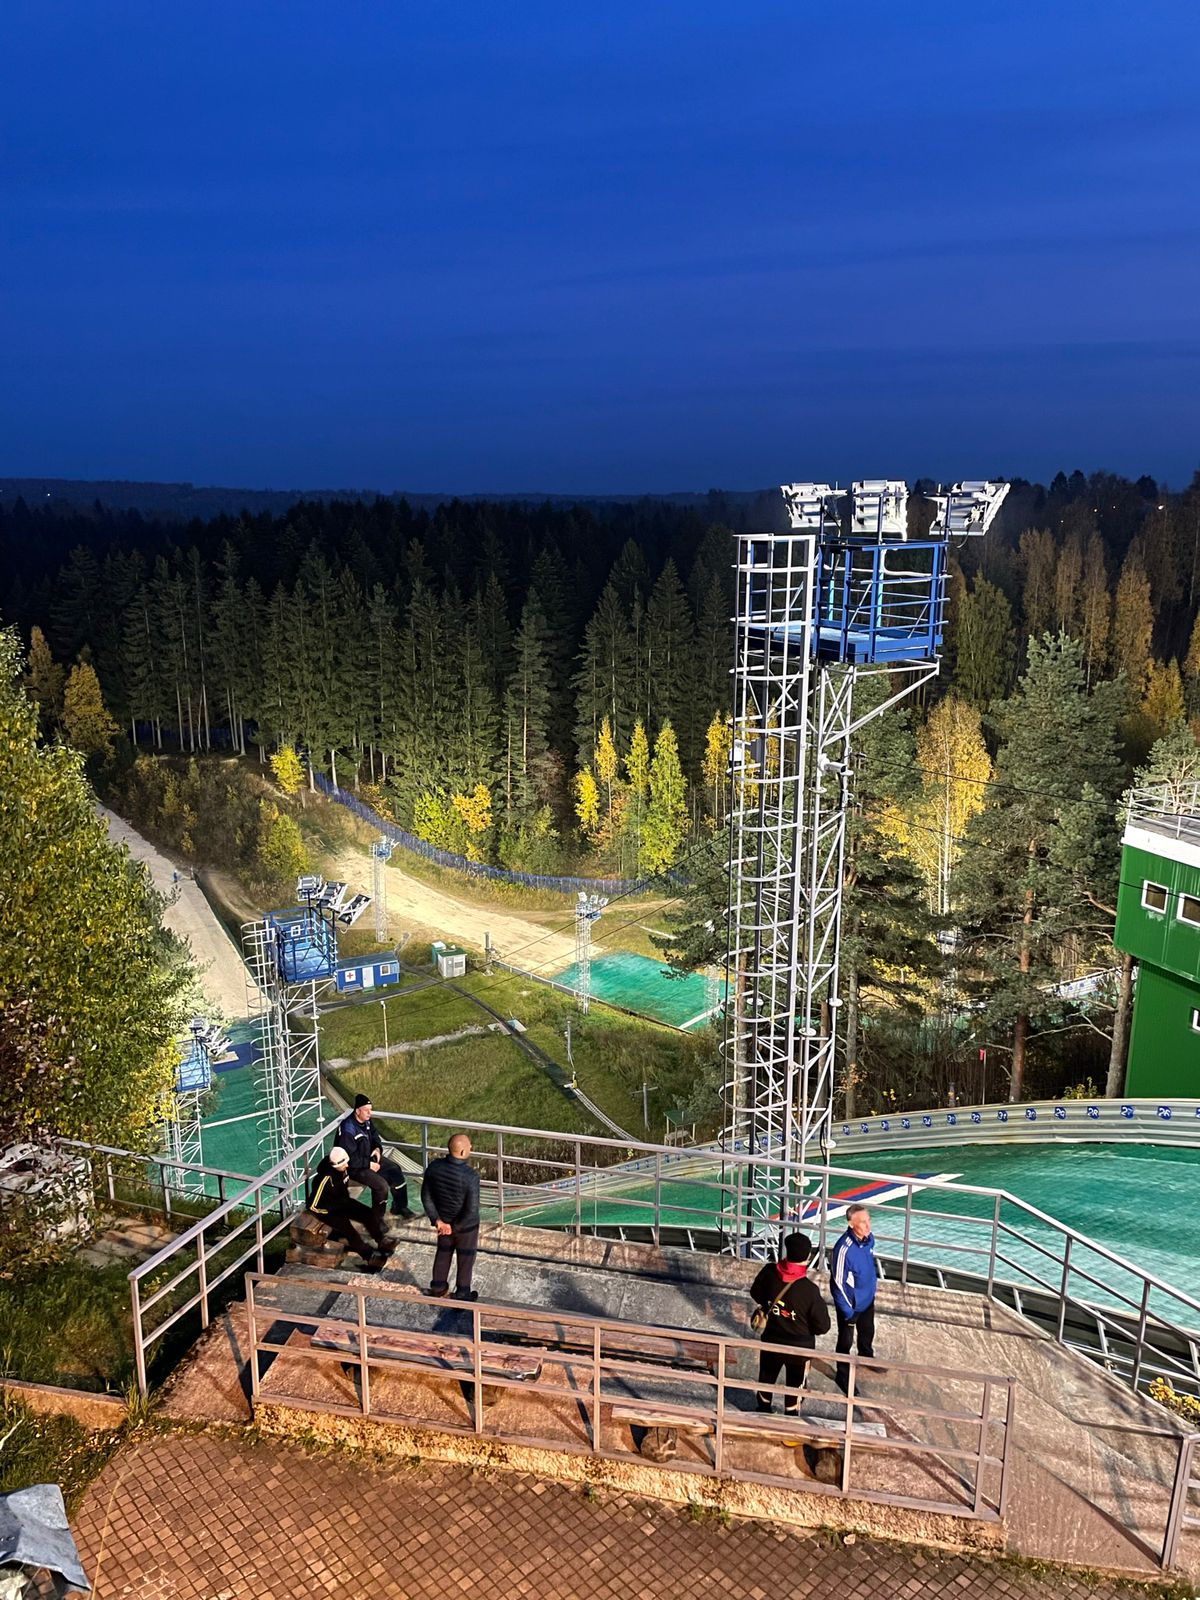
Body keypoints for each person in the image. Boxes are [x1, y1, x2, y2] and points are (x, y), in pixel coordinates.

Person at [749, 1232, 830, 1414]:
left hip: (771, 1338)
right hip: (799, 1348)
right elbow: (823, 1326)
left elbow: (755, 1293)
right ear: (808, 1257)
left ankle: (762, 1411)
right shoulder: (809, 1291)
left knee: (766, 1377)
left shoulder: (769, 1272)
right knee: (795, 1386)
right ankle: (791, 1420)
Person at [306, 1145, 393, 1268]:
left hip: (343, 1202)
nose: (347, 1166)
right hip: (327, 1210)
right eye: (344, 1165)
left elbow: (354, 1165)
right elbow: (313, 1204)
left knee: (367, 1213)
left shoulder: (343, 1166)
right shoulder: (325, 1178)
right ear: (336, 1166)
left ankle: (381, 1240)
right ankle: (368, 1256)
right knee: (347, 1228)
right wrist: (327, 1212)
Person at [336, 1094, 414, 1223]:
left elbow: (375, 1136)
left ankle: (400, 1206)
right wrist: (368, 1165)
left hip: (368, 1158)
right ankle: (377, 1220)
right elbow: (347, 1159)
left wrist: (377, 1149)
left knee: (395, 1170)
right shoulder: (347, 1130)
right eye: (367, 1110)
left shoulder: (366, 1121)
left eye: (370, 1110)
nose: (370, 1113)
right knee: (381, 1186)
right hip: (354, 1167)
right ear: (357, 1111)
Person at [421, 1132, 481, 1302]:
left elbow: (426, 1196)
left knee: (443, 1252)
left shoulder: (434, 1167)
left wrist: (438, 1221)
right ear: (463, 1152)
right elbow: (471, 1209)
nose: (471, 1148)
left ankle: (438, 1287)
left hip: (443, 1222)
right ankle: (462, 1293)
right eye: (469, 1146)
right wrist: (455, 1227)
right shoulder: (471, 1177)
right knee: (466, 1257)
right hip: (465, 1228)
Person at [830, 1203, 879, 1395]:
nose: (868, 1226)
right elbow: (838, 1284)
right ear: (851, 1224)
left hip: (867, 1299)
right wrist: (848, 1312)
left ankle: (866, 1356)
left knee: (867, 1331)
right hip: (851, 1305)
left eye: (869, 1220)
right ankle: (842, 1374)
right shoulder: (843, 1250)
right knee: (845, 1340)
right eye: (863, 1222)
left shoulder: (868, 1240)